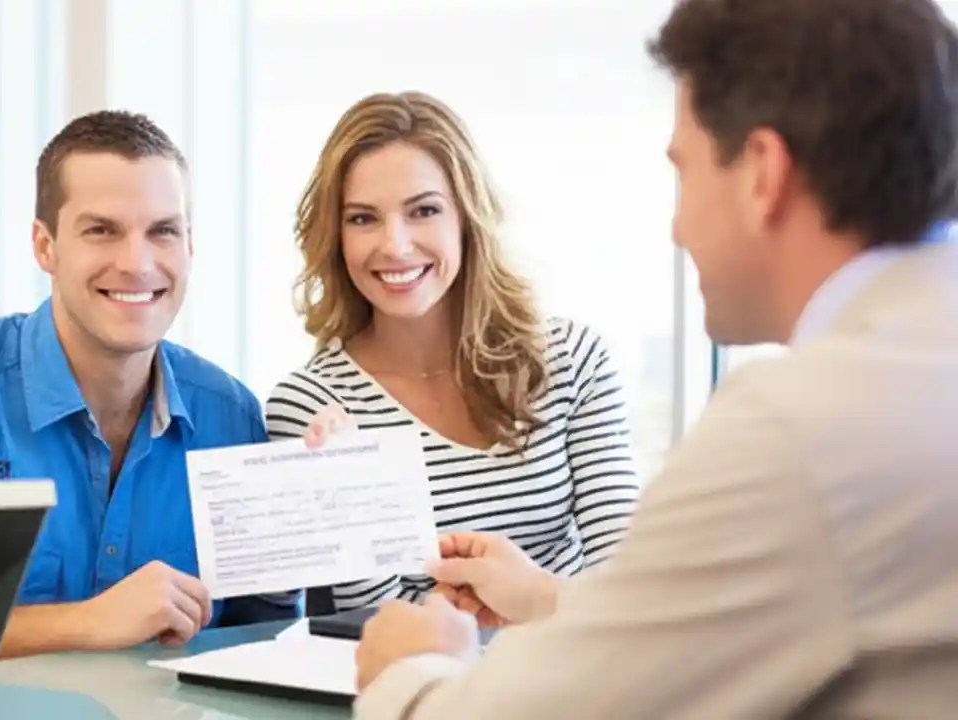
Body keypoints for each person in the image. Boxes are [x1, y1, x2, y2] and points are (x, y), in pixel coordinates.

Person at [351, 0, 958, 717]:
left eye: (685, 172)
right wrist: (550, 599)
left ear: (762, 172)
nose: (677, 226)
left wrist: (407, 670)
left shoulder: (796, 429)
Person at [0, 110, 300, 658]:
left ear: (189, 246)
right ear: (45, 246)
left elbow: (262, 637)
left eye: (162, 231)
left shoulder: (230, 416)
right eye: (102, 231)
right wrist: (86, 623)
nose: (137, 262)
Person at [266, 91, 640, 611]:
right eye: (362, 218)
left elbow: (628, 589)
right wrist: (354, 493)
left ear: (467, 218)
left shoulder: (573, 360)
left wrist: (532, 600)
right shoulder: (309, 406)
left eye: (424, 211)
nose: (394, 245)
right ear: (335, 236)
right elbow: (366, 624)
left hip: (575, 677)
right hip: (425, 684)